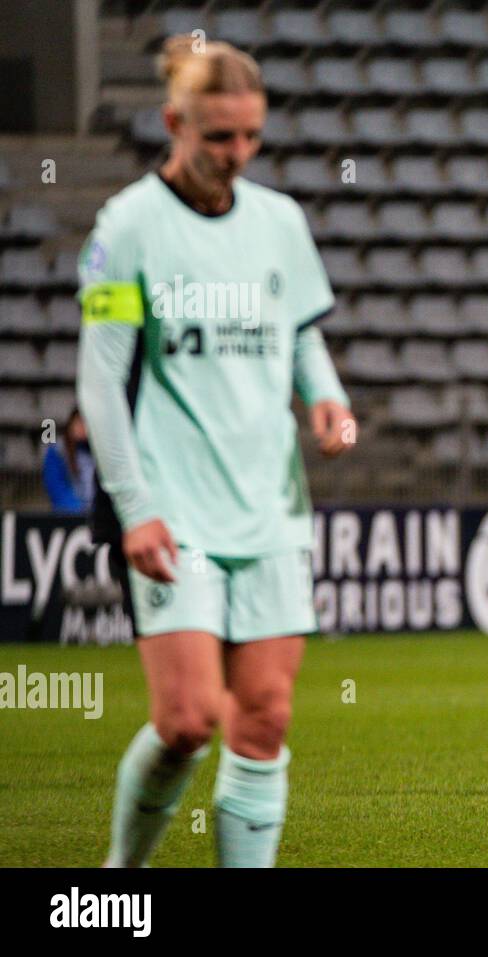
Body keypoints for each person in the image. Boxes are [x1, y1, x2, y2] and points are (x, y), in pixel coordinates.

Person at [77, 36, 356, 867]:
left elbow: (299, 336)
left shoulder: (279, 222)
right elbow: (100, 380)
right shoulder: (125, 226)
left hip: (270, 505)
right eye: (218, 137)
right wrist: (134, 508)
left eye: (251, 137)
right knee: (190, 719)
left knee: (264, 718)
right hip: (175, 506)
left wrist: (327, 398)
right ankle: (120, 875)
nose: (237, 155)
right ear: (174, 122)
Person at [43, 407, 95, 514]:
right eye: (79, 422)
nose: (82, 428)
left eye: (86, 422)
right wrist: (79, 511)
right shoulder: (58, 451)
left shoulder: (99, 453)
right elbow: (56, 488)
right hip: (69, 515)